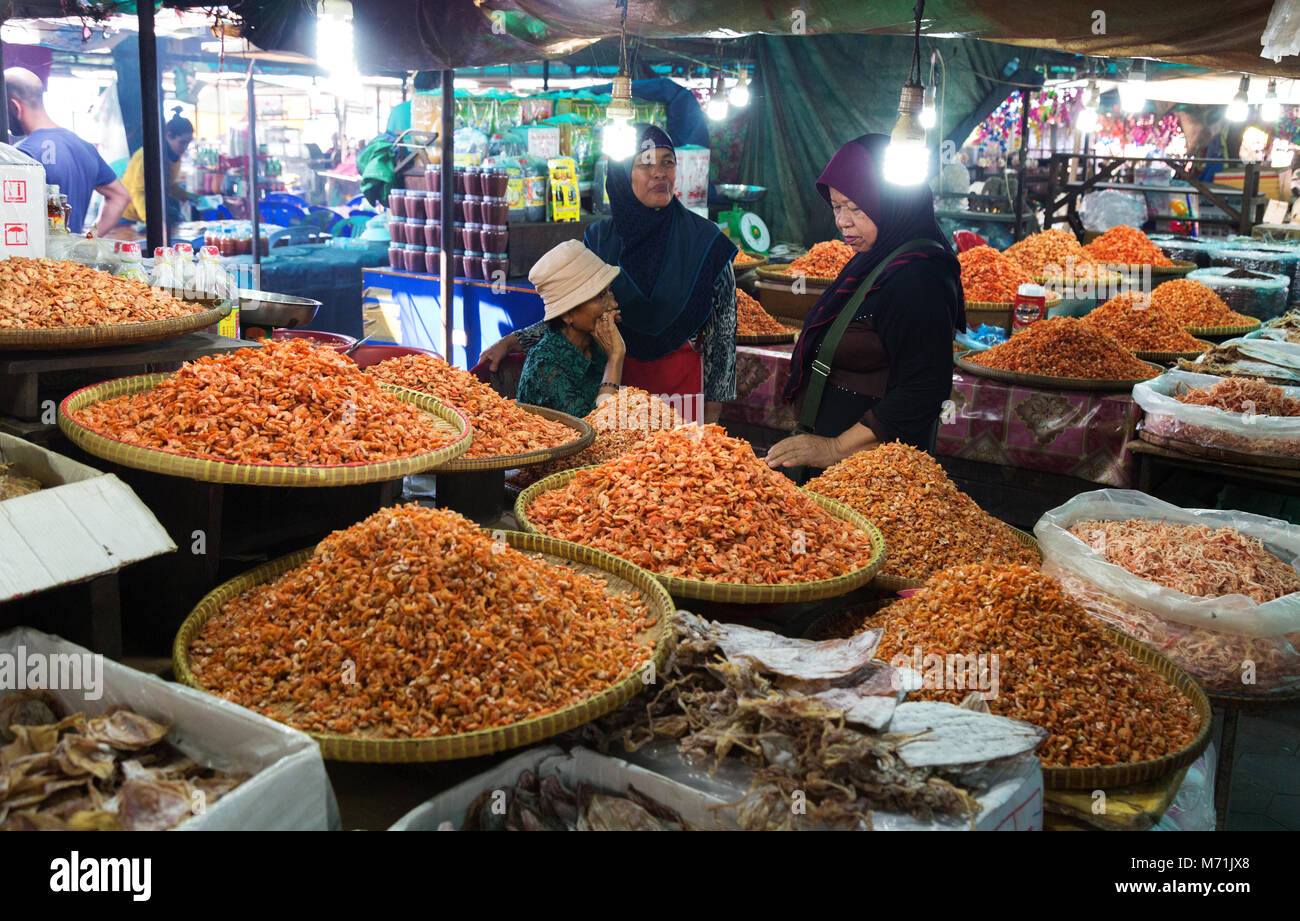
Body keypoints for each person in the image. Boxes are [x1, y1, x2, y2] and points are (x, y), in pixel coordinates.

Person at [480, 124, 737, 424]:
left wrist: (710, 424)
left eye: (668, 162)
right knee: (617, 465)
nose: (659, 173)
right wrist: (511, 342)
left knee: (676, 465)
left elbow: (722, 341)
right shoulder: (600, 239)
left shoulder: (708, 242)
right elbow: (573, 312)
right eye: (646, 163)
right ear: (620, 174)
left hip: (680, 394)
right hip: (614, 383)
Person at [765, 133, 965, 476]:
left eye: (856, 208)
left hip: (873, 473)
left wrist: (834, 448)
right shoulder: (874, 259)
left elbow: (923, 390)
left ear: (892, 201)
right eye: (837, 206)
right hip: (838, 465)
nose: (842, 221)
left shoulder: (918, 276)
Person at [4, 67, 130, 235]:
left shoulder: (20, 155)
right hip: (72, 260)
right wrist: (88, 239)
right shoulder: (85, 147)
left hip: (34, 260)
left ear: (14, 107)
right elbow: (120, 197)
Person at [515, 240, 625, 417]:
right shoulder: (545, 365)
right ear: (567, 315)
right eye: (601, 296)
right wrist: (615, 358)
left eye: (609, 291)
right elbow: (594, 432)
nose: (613, 304)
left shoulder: (597, 342)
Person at [121, 107, 197, 224]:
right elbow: (138, 192)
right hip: (128, 215)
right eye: (182, 142)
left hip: (147, 213)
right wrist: (150, 222)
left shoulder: (175, 155)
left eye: (188, 143)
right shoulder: (146, 156)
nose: (185, 147)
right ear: (169, 135)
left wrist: (192, 197)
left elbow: (169, 185)